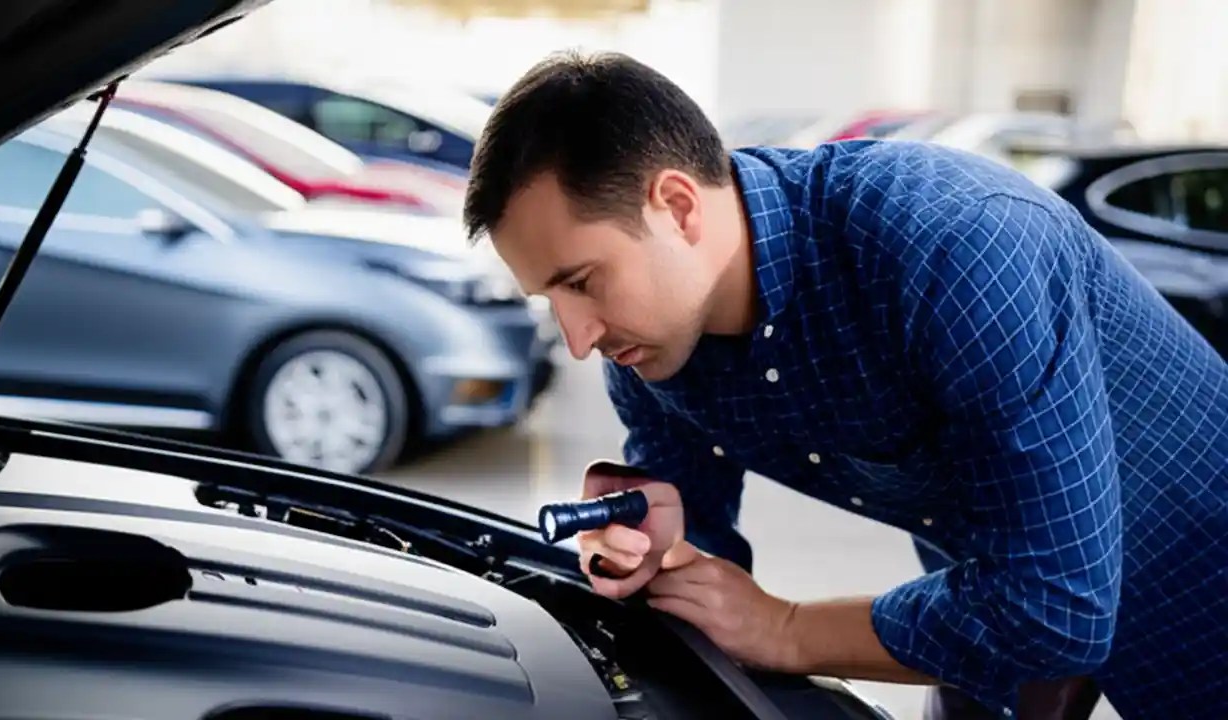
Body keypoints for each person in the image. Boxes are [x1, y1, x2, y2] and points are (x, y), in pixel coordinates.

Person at [463, 50, 1228, 720]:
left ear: (677, 206)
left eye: (584, 282)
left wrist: (788, 629)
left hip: (1198, 583)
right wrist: (640, 550)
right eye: (549, 300)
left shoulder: (954, 243)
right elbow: (689, 549)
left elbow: (1056, 608)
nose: (577, 338)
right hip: (986, 605)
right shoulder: (655, 348)